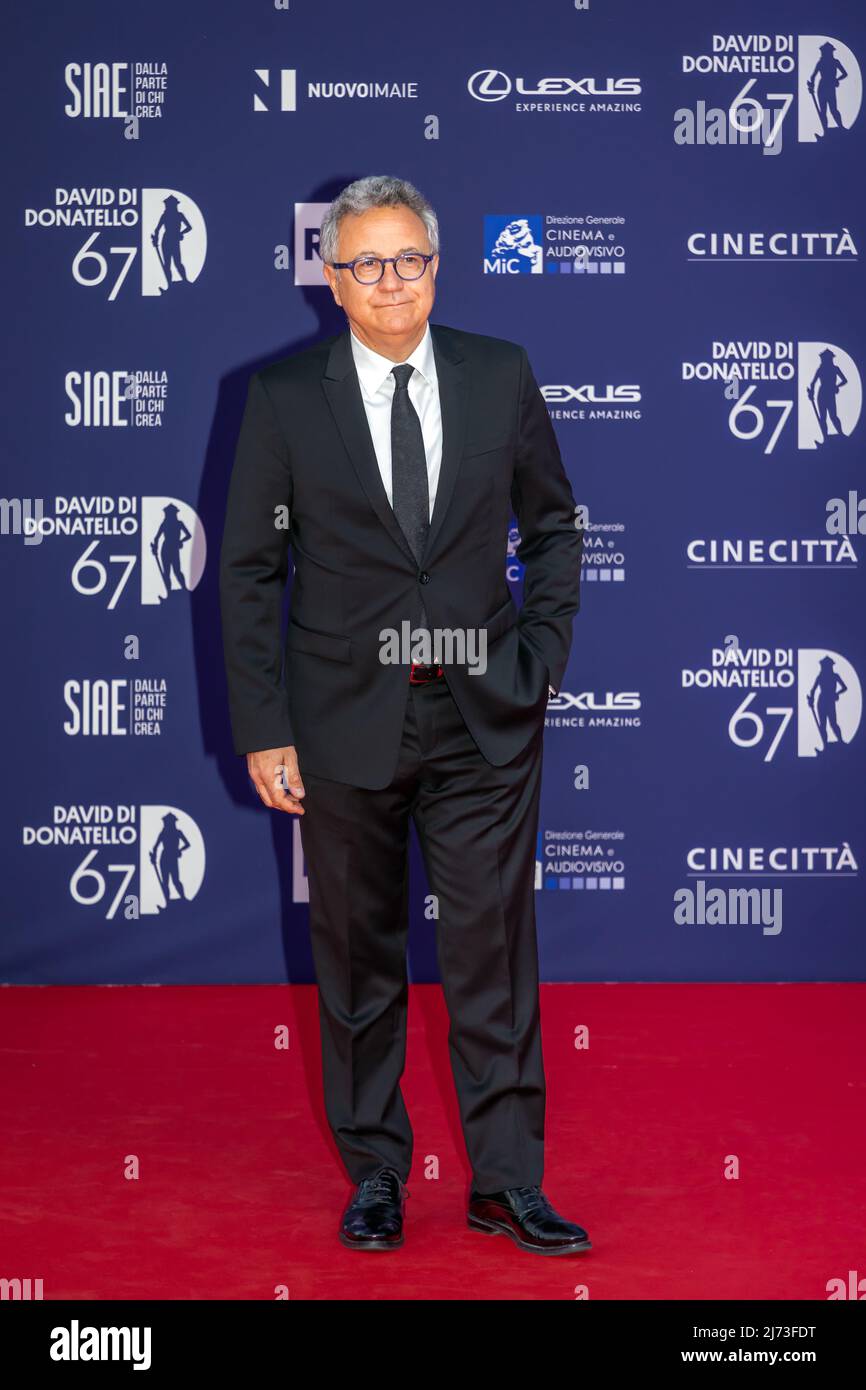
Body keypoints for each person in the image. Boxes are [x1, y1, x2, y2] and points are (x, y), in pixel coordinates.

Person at [219, 174, 590, 1256]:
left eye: (409, 260)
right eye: (365, 264)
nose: (391, 284)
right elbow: (247, 569)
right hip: (342, 725)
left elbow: (554, 526)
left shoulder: (499, 374)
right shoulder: (284, 396)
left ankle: (504, 1182)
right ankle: (376, 1169)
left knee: (491, 957)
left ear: (437, 265)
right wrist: (263, 724)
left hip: (482, 719)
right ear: (331, 281)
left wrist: (541, 656)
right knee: (357, 959)